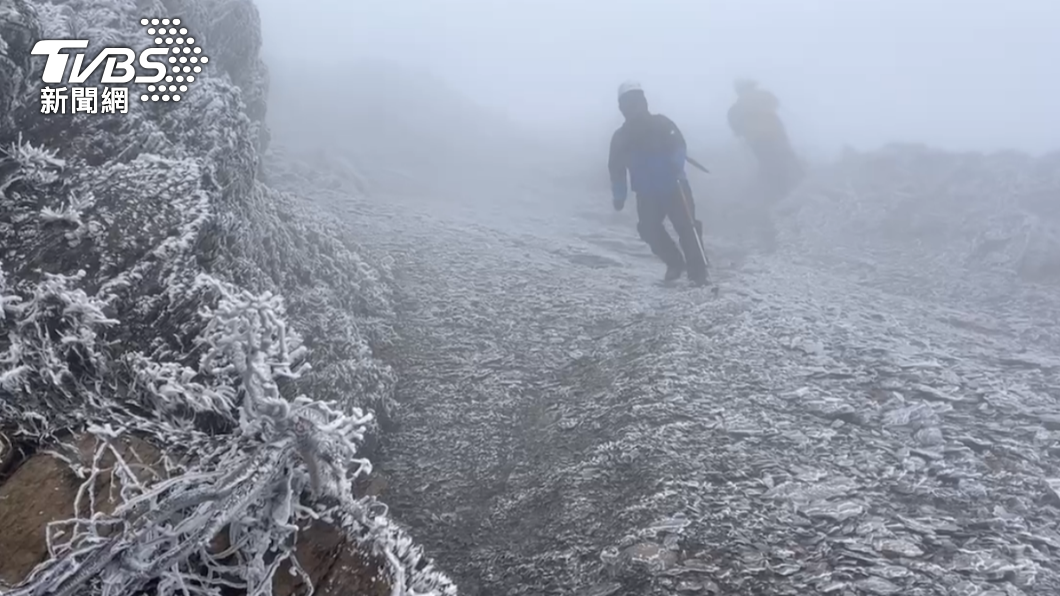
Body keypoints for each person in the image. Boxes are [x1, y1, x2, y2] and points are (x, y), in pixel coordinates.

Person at [609, 81, 708, 286]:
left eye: (636, 101)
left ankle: (697, 272)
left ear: (643, 102)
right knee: (649, 229)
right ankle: (675, 263)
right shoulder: (621, 137)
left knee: (687, 227)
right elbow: (616, 169)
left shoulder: (662, 123)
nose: (634, 106)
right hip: (646, 192)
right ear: (622, 107)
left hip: (674, 185)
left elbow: (679, 145)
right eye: (629, 102)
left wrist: (676, 162)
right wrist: (619, 195)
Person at [727, 78, 804, 201]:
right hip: (778, 135)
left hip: (757, 140)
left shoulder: (737, 107)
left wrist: (740, 132)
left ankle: (775, 193)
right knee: (787, 158)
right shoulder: (766, 96)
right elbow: (775, 104)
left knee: (768, 164)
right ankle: (798, 184)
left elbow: (735, 125)